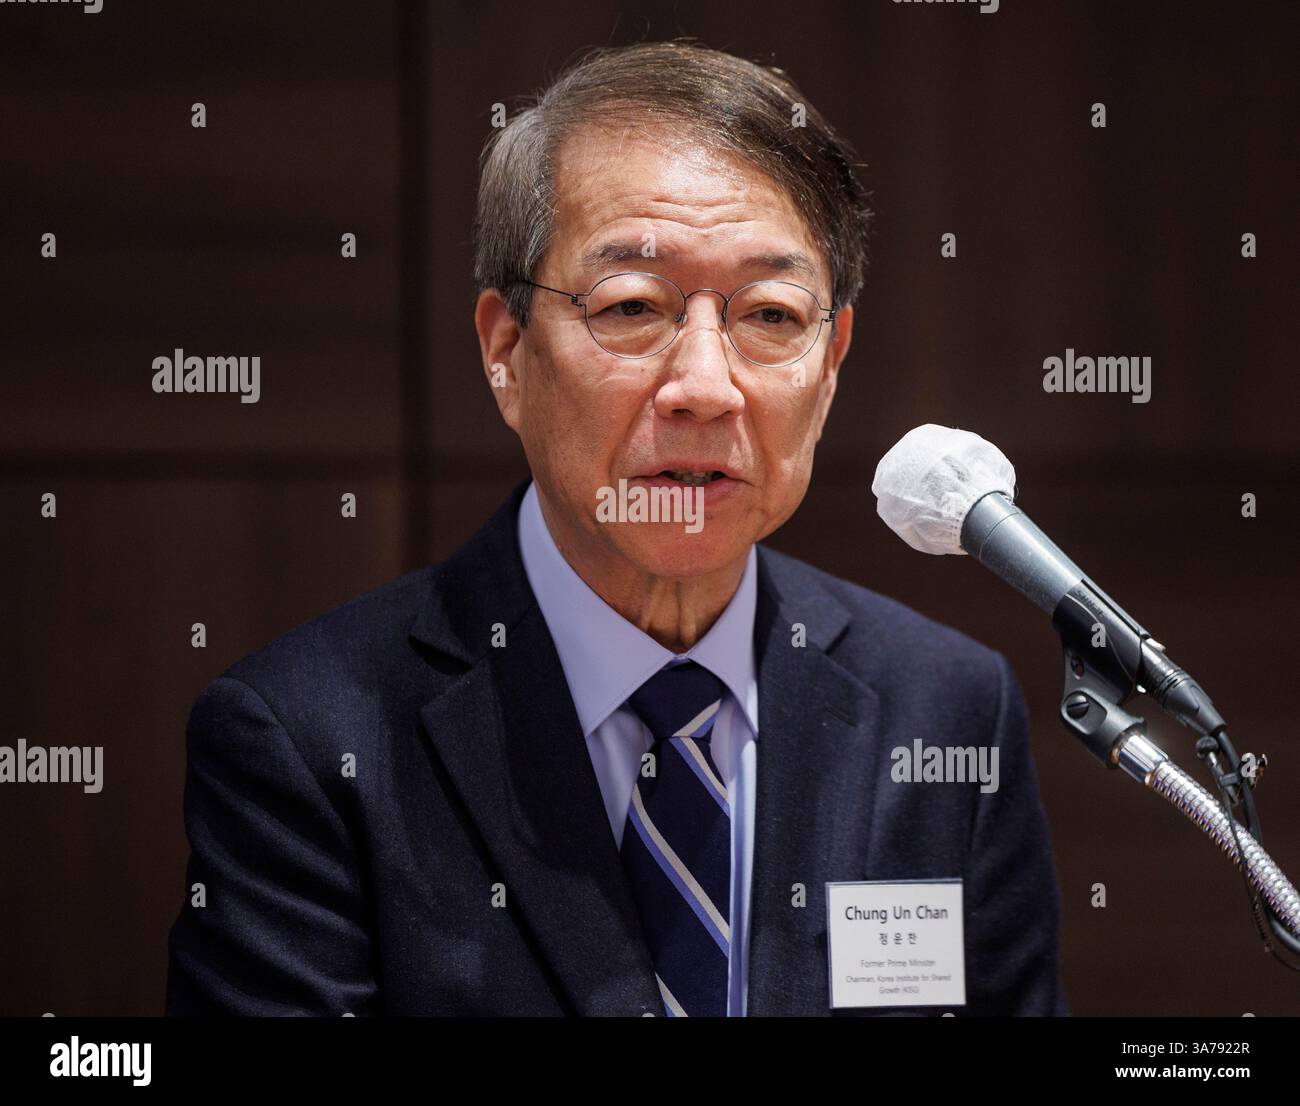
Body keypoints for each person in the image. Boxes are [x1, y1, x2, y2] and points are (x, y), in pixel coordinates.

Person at [165, 39, 1068, 1017]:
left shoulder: (943, 709)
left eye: (770, 314)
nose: (705, 386)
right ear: (506, 352)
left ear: (832, 359)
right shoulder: (309, 736)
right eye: (633, 305)